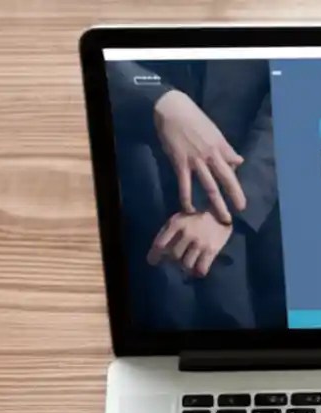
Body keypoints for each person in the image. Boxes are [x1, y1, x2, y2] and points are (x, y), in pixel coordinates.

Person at [107, 59, 285, 328]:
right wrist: (159, 99)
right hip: (140, 193)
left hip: (267, 213)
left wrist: (229, 209)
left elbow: (303, 85)